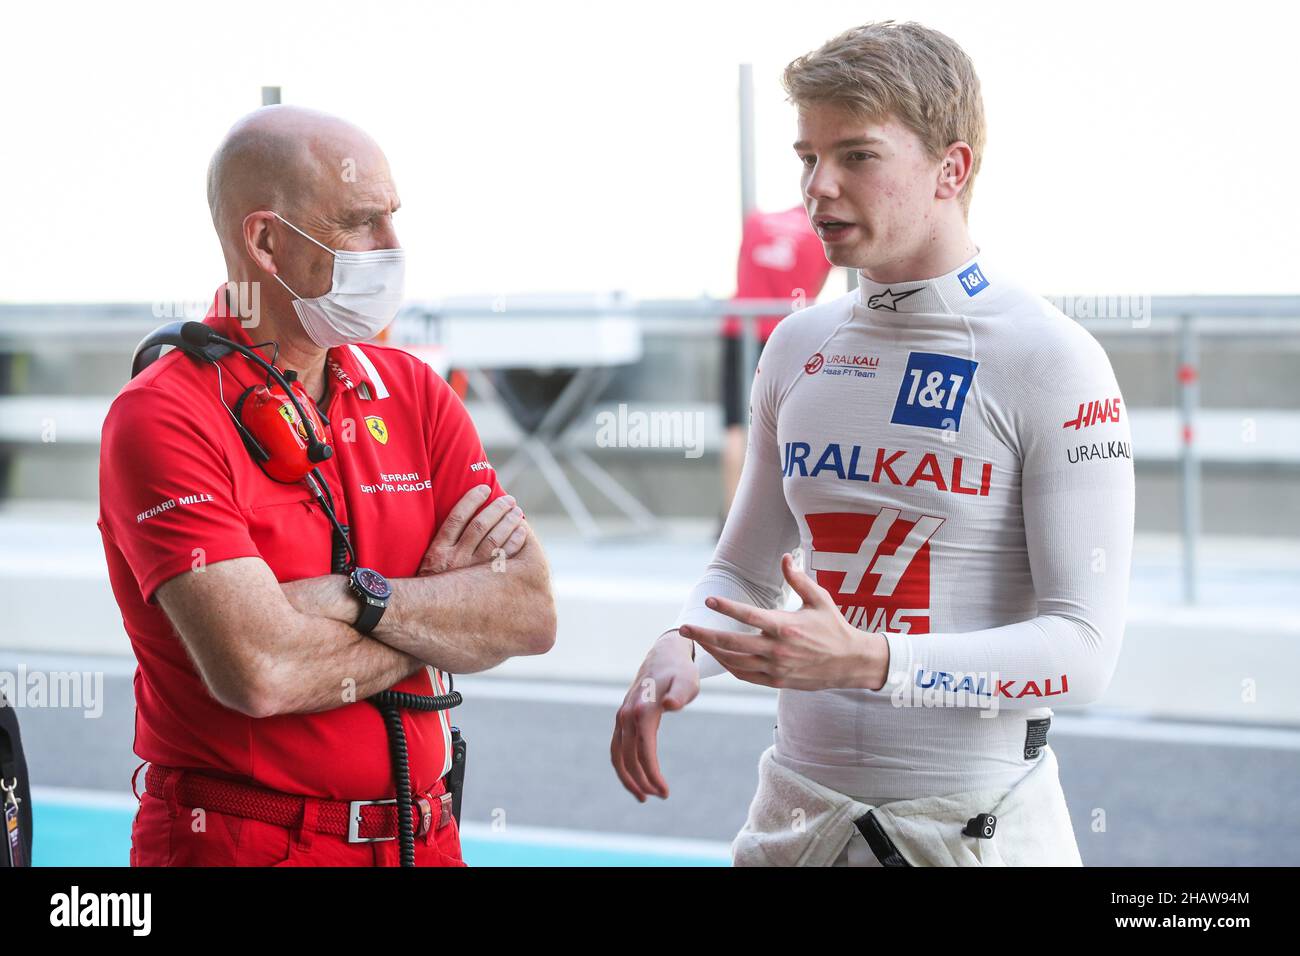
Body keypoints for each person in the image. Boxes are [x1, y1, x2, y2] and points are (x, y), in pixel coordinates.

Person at [611, 21, 1134, 866]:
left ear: (951, 169)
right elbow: (742, 572)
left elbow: (1084, 654)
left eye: (856, 156)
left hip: (975, 829)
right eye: (806, 157)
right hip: (794, 818)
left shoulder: (1051, 358)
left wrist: (871, 660)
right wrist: (684, 642)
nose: (818, 188)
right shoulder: (795, 345)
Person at [98, 106, 556, 866]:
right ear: (266, 242)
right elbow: (263, 673)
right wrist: (436, 616)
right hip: (246, 844)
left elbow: (529, 613)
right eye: (361, 222)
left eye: (394, 218)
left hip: (425, 836)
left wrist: (359, 599)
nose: (393, 249)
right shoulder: (164, 415)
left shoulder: (413, 390)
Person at [720, 207, 832, 518]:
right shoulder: (819, 234)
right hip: (788, 335)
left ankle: (732, 523)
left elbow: (743, 274)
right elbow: (818, 291)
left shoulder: (756, 222)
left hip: (739, 330)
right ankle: (783, 522)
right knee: (789, 429)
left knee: (736, 429)